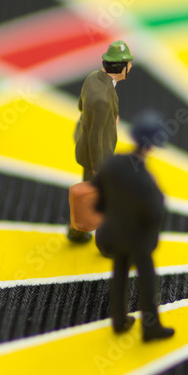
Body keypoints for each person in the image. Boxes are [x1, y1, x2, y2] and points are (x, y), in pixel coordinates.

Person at [92, 110, 174, 342]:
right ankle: (151, 328)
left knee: (119, 276)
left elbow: (99, 187)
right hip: (138, 240)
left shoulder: (114, 163)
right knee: (147, 282)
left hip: (115, 234)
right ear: (152, 146)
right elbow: (155, 213)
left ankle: (119, 322)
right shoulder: (146, 181)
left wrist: (105, 212)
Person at [67, 40, 134, 243]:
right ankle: (99, 237)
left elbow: (81, 105)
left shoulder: (93, 78)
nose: (130, 66)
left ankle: (77, 230)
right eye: (128, 63)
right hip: (96, 156)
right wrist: (100, 167)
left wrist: (109, 118)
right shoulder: (104, 98)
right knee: (101, 196)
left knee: (90, 193)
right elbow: (97, 137)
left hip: (84, 143)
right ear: (121, 68)